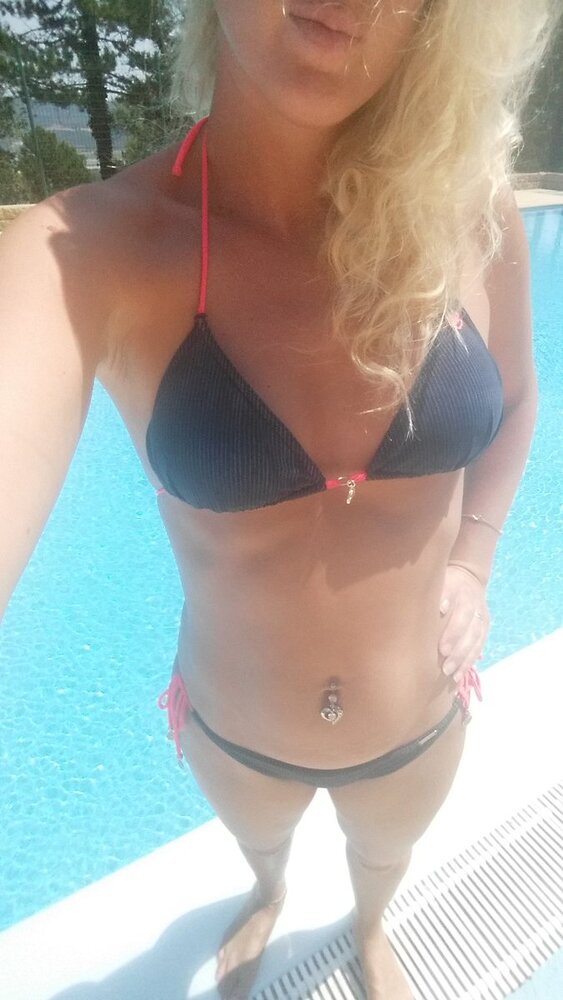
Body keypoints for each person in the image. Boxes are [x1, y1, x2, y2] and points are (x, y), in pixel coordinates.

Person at [0, 1, 558, 997]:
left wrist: (473, 559)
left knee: (381, 864)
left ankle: (371, 928)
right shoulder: (89, 253)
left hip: (416, 729)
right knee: (263, 853)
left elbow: (516, 399)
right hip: (236, 737)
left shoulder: (467, 208)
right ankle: (267, 894)